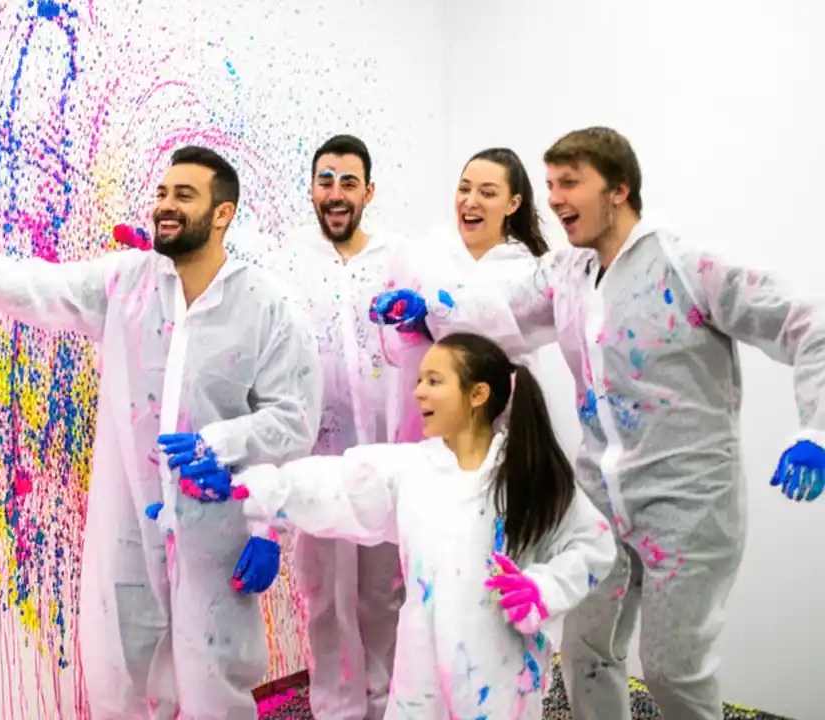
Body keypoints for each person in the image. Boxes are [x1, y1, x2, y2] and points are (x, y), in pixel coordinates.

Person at [371, 126, 825, 720]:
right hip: (600, 499)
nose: (555, 198)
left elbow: (807, 325)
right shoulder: (568, 272)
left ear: (618, 189)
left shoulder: (688, 267)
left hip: (689, 502)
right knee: (585, 652)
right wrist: (427, 312)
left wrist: (816, 431)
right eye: (551, 184)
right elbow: (502, 309)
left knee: (672, 670)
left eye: (570, 183)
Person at [0, 145, 325, 719]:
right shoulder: (127, 284)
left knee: (215, 686)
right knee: (120, 679)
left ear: (222, 213)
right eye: (162, 193)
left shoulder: (266, 307)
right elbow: (34, 287)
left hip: (217, 532)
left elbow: (292, 418)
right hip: (128, 534)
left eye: (184, 196)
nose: (165, 206)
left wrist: (259, 513)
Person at [225, 332, 617, 719]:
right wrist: (251, 487)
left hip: (499, 678)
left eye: (434, 381)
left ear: (478, 394)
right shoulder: (414, 470)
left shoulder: (526, 478)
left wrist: (543, 589)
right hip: (420, 680)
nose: (419, 393)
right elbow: (333, 483)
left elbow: (592, 545)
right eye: (419, 381)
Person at [267, 134, 405, 719]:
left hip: (387, 457)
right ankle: (336, 710)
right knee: (325, 597)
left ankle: (385, 704)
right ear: (312, 189)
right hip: (315, 460)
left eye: (349, 182)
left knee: (383, 593)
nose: (336, 193)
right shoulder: (286, 262)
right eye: (326, 181)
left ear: (368, 192)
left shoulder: (397, 260)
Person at [376, 148, 580, 459]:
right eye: (464, 188)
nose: (470, 201)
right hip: (428, 419)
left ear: (513, 204)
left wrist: (431, 316)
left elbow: (497, 331)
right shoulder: (425, 256)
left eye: (487, 192)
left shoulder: (526, 272)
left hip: (497, 419)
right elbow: (393, 349)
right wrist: (399, 321)